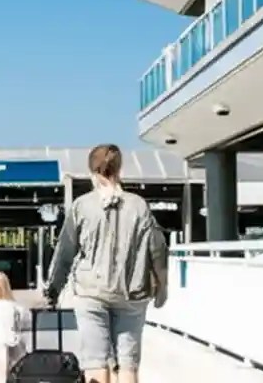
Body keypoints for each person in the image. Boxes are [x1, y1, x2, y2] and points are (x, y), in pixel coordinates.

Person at [43, 144, 168, 383]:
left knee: (96, 362)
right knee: (128, 364)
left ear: (92, 170)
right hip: (131, 293)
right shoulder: (138, 205)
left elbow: (65, 253)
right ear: (119, 168)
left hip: (91, 294)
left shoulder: (82, 206)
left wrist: (53, 289)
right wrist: (162, 286)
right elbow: (157, 248)